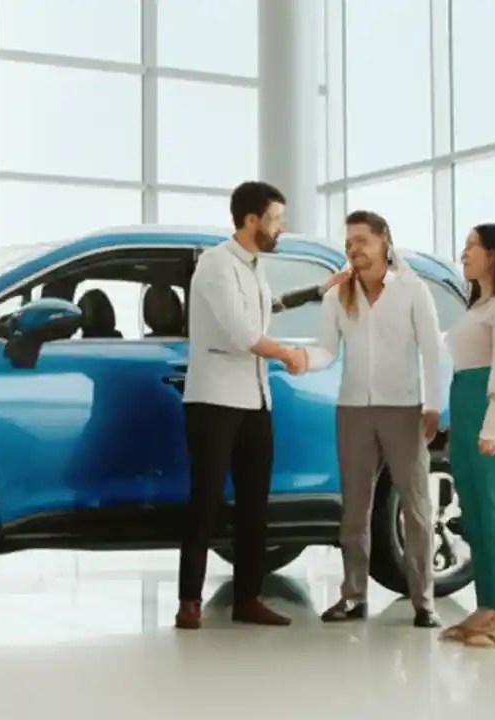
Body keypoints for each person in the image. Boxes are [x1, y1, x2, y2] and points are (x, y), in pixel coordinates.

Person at [175, 181, 310, 630]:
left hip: (255, 400)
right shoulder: (216, 265)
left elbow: (261, 314)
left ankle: (248, 597)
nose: (281, 228)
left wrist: (318, 290)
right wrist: (288, 354)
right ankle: (189, 601)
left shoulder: (254, 268)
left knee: (256, 503)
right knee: (206, 500)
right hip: (214, 400)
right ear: (251, 220)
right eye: (276, 219)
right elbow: (240, 333)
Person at [301, 210, 444, 628]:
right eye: (348, 243)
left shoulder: (413, 291)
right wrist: (300, 359)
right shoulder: (337, 296)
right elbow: (326, 350)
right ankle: (353, 596)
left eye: (362, 240)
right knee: (354, 510)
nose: (354, 250)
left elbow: (431, 351)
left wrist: (432, 404)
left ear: (384, 240)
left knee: (416, 509)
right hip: (353, 411)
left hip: (404, 410)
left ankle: (424, 602)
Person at [440, 223, 495, 648]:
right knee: (474, 519)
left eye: (472, 246)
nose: (464, 254)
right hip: (466, 408)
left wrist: (492, 425)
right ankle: (486, 607)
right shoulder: (477, 307)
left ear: (494, 254)